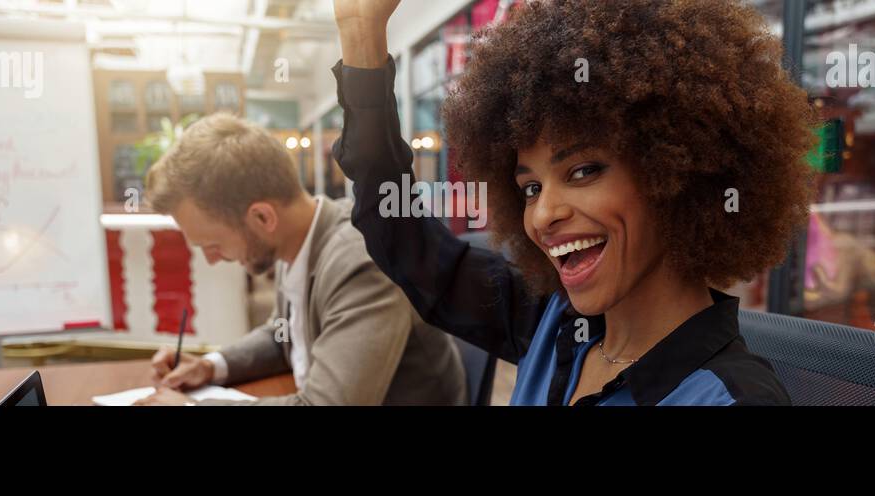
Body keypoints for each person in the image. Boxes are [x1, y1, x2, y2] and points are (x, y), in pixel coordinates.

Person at [330, 0, 817, 405]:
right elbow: (403, 240)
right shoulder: (554, 323)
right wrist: (360, 32)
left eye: (583, 171)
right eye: (531, 188)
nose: (543, 214)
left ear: (680, 172)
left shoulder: (730, 401)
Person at [135, 114, 466, 406]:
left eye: (213, 245)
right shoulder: (293, 241)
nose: (211, 260)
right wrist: (211, 365)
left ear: (262, 218)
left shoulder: (362, 260)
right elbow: (282, 336)